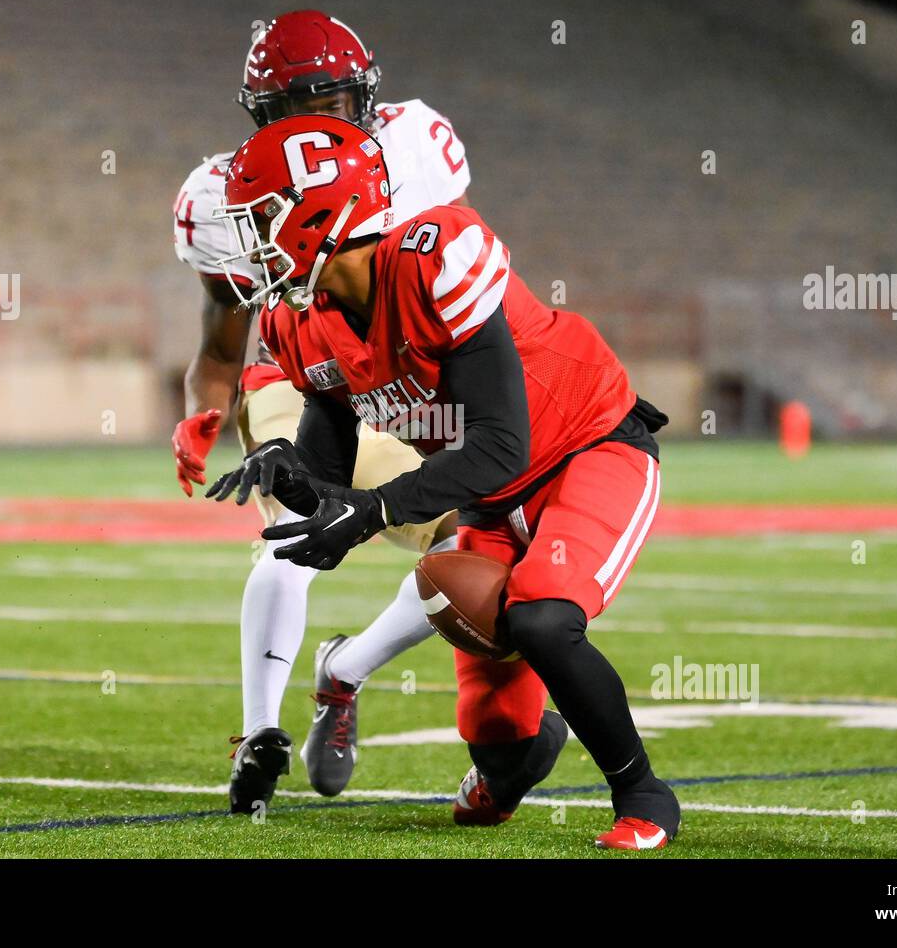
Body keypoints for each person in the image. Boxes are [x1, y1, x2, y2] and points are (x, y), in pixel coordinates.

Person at [207, 114, 681, 850]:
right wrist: (291, 476)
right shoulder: (303, 324)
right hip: (495, 496)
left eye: (264, 216)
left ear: (318, 214)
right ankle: (515, 762)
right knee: (499, 743)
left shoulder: (433, 258)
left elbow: (498, 442)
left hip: (587, 447)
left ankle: (644, 794)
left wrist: (373, 512)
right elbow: (332, 492)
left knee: (543, 620)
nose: (254, 241)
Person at [169, 11, 472, 812]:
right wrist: (204, 412)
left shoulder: (418, 143)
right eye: (296, 107)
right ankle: (258, 729)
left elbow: (456, 276)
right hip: (297, 374)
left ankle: (346, 670)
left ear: (365, 97)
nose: (316, 127)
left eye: (331, 104)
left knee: (474, 552)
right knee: (297, 518)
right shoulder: (222, 196)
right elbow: (223, 348)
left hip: (404, 376)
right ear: (260, 118)